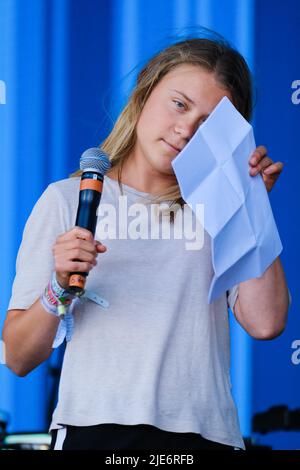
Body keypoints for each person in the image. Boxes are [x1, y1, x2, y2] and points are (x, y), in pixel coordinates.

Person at [2, 36, 289, 451]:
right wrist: (58, 287)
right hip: (93, 431)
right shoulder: (66, 200)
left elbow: (267, 323)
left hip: (203, 436)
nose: (186, 129)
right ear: (145, 91)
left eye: (209, 123)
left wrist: (252, 207)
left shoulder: (224, 208)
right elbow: (18, 357)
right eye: (179, 103)